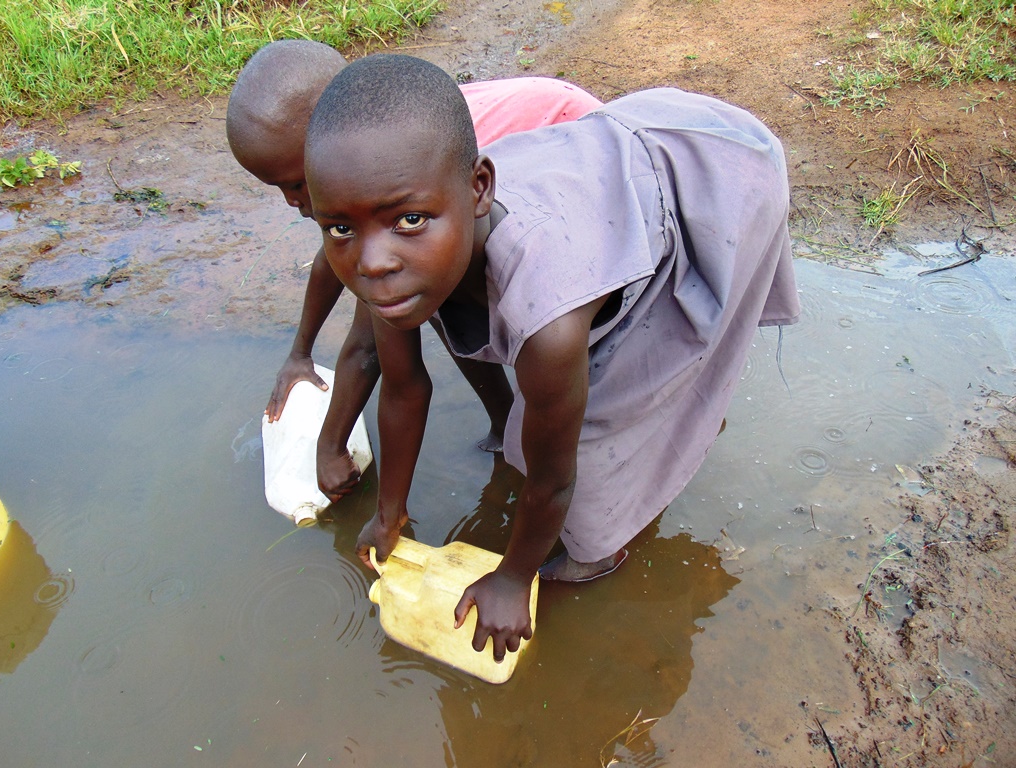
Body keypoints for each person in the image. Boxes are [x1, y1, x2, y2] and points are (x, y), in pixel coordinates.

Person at [303, 53, 800, 662]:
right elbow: (404, 388)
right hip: (613, 167)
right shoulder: (399, 256)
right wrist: (389, 514)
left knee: (616, 412)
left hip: (717, 175)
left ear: (479, 188)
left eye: (409, 220)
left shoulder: (550, 318)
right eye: (340, 230)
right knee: (569, 405)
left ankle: (604, 549)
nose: (372, 262)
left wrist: (515, 578)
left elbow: (554, 476)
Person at [225, 40, 602, 503]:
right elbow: (336, 262)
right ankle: (505, 422)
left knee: (506, 314)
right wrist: (299, 353)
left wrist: (330, 444)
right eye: (279, 189)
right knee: (437, 299)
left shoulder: (415, 163)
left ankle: (539, 435)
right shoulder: (381, 173)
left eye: (297, 182)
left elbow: (368, 343)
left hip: (566, 140)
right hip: (494, 173)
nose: (292, 201)